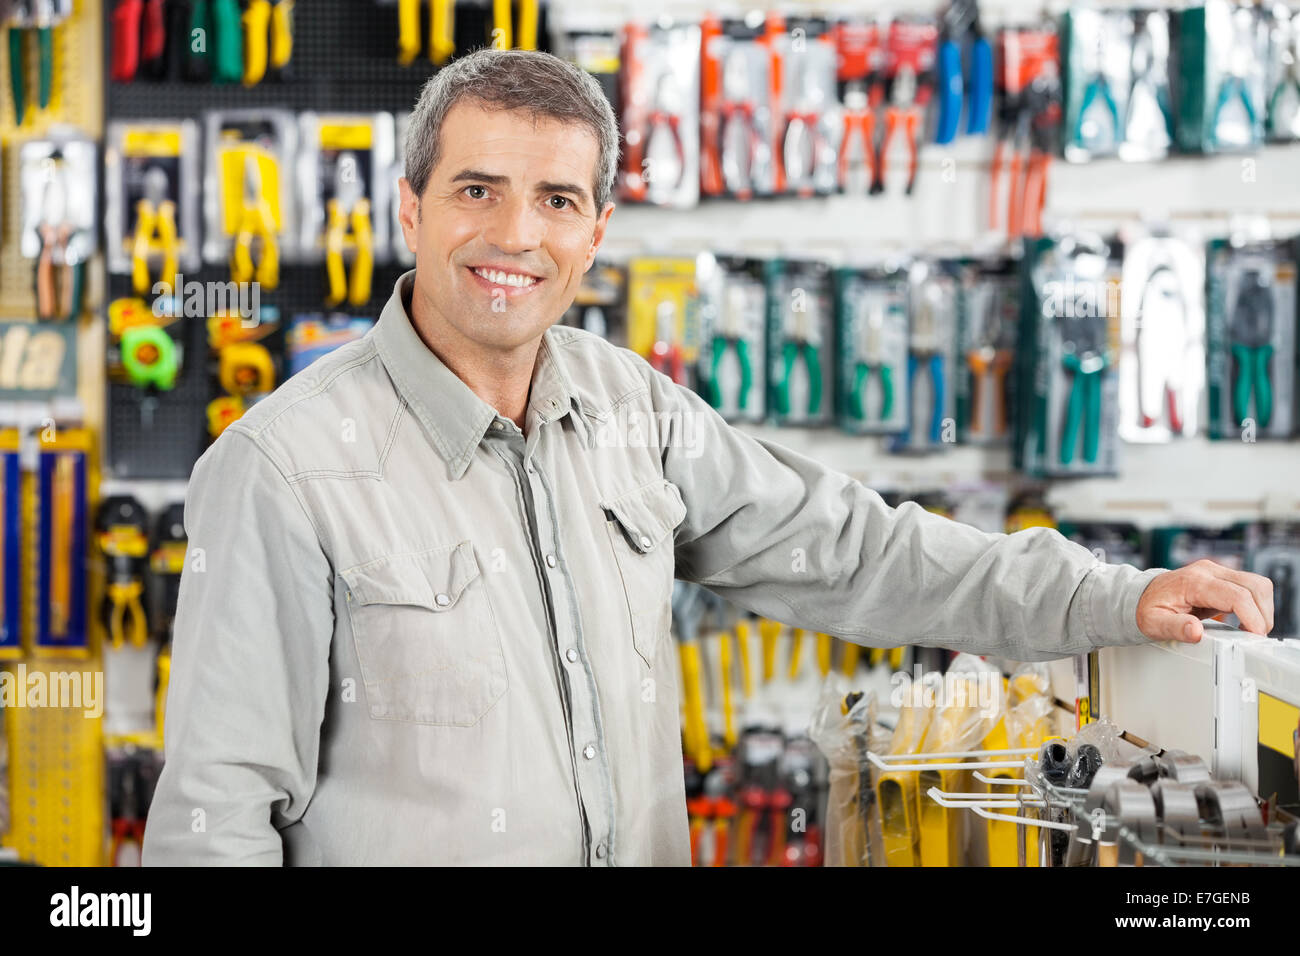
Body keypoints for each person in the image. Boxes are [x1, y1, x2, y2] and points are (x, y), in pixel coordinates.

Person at [142, 49, 1274, 866]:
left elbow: (858, 552)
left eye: (557, 199)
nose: (514, 235)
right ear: (408, 206)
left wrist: (1113, 595)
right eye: (475, 189)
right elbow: (212, 816)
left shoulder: (630, 404)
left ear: (597, 230)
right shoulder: (283, 467)